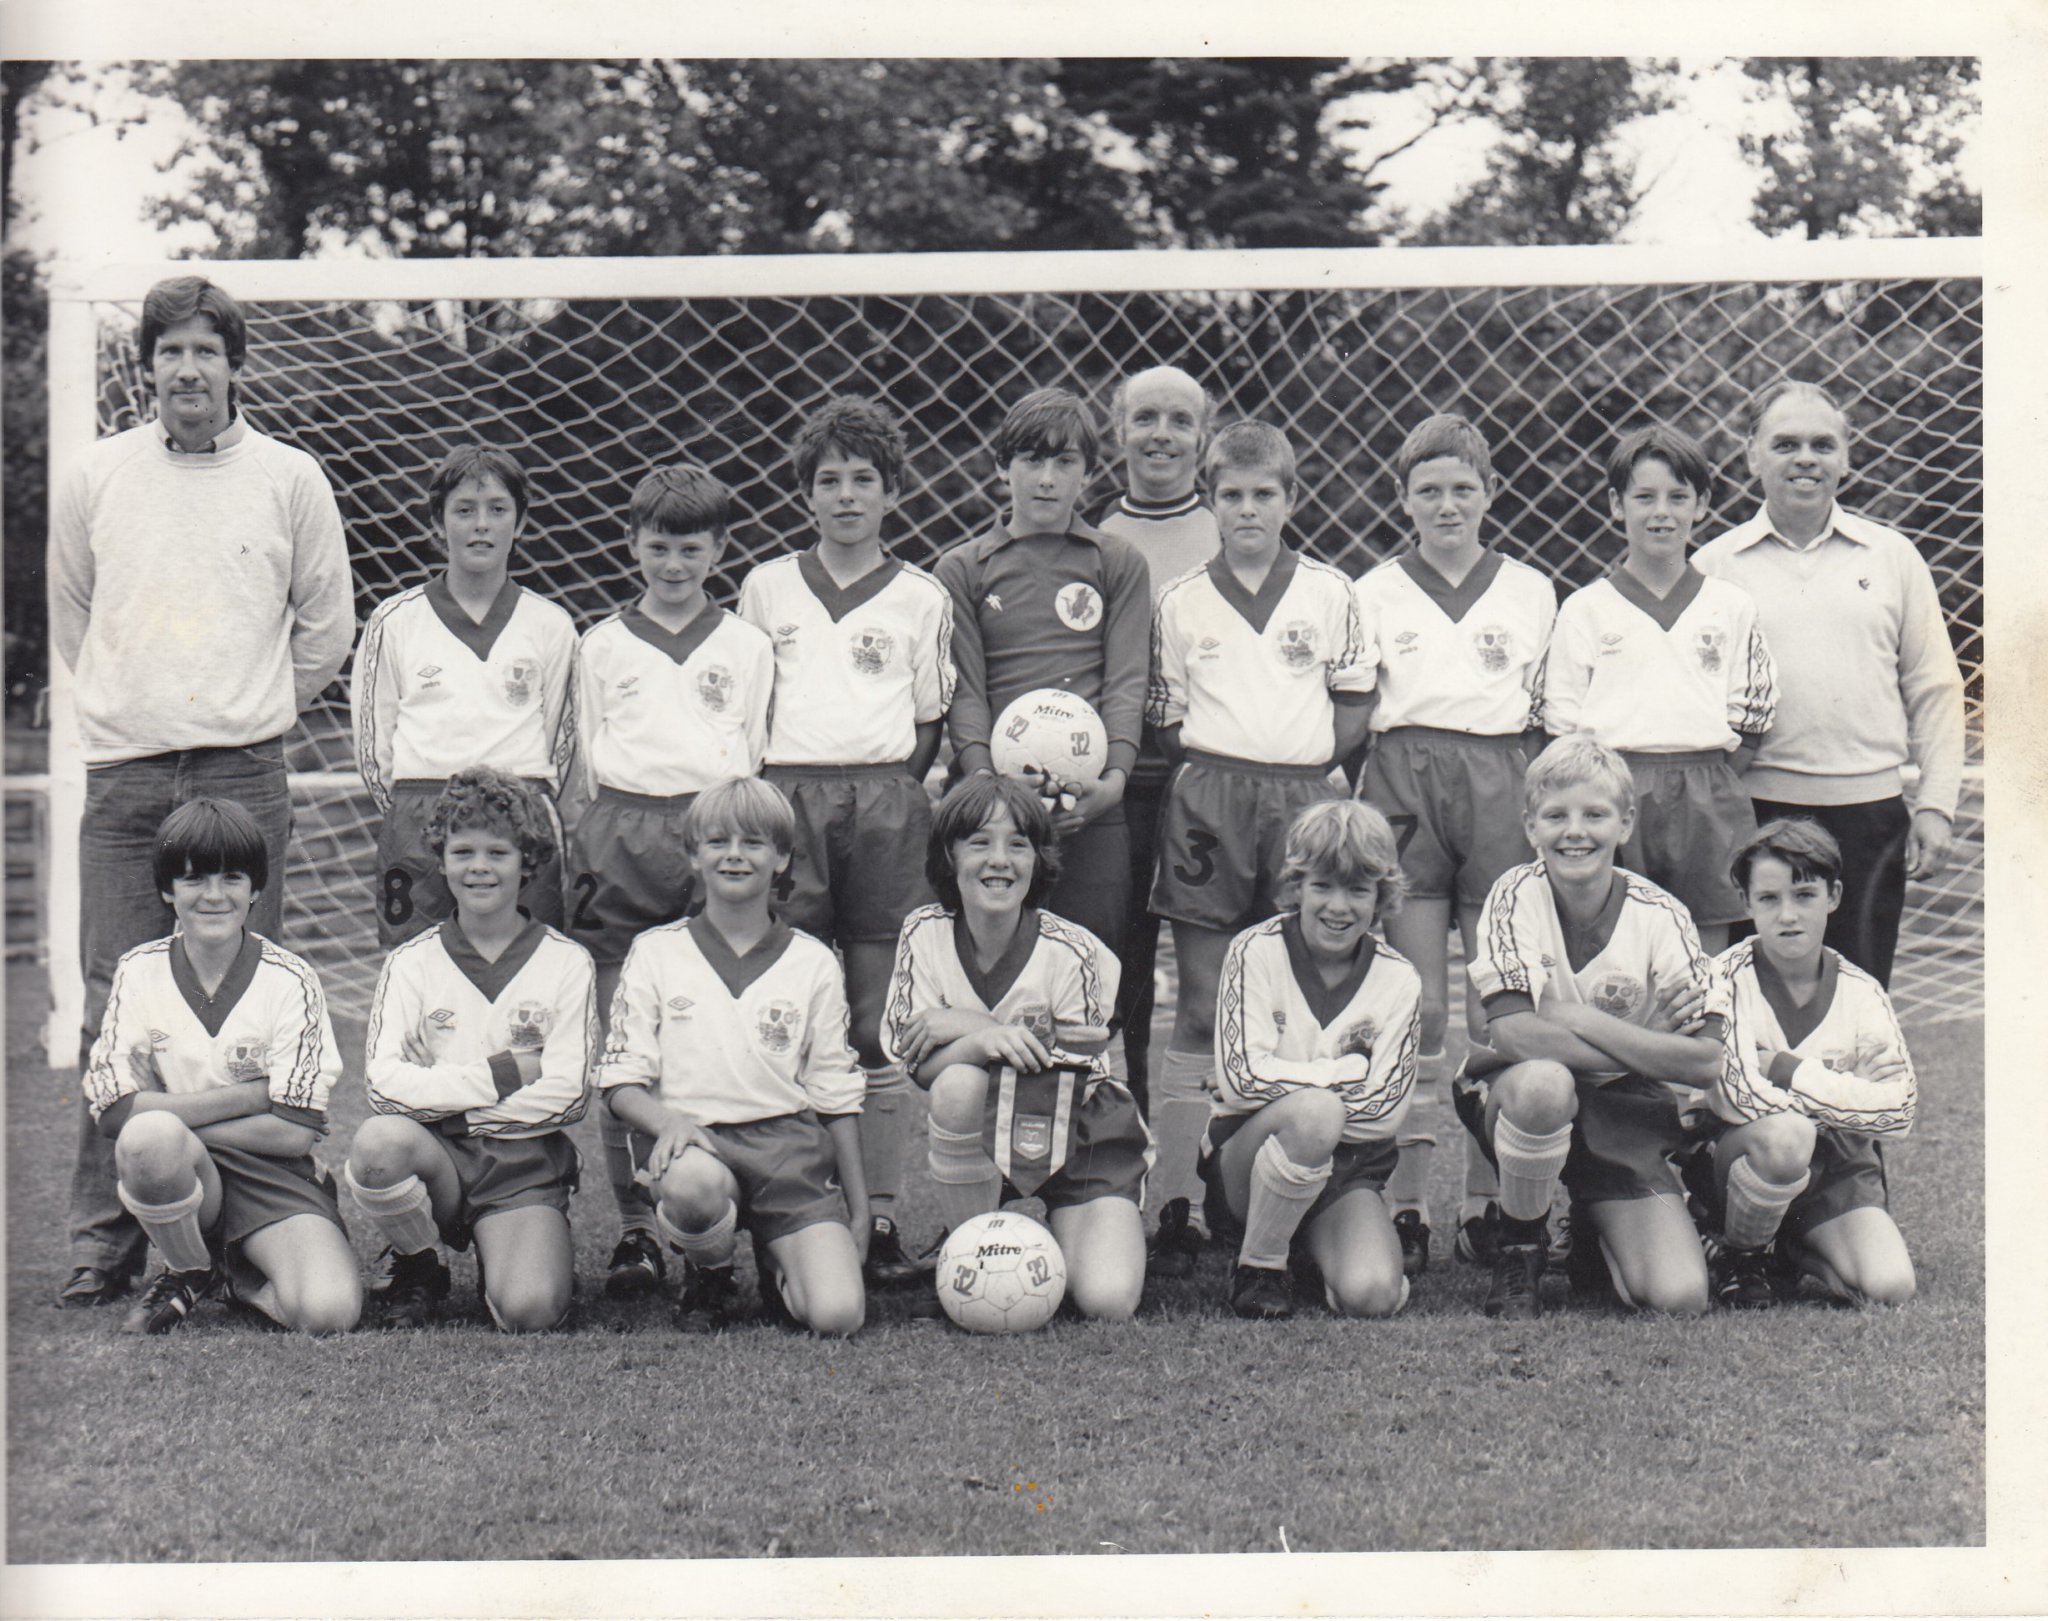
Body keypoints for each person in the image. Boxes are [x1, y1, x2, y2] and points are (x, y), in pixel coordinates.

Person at [50, 273, 354, 1309]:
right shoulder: (96, 476)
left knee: (248, 1006)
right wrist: (142, 709)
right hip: (128, 769)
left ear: (234, 366)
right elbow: (76, 614)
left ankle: (236, 1232)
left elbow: (326, 629)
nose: (187, 368)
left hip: (241, 767)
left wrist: (246, 705)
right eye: (169, 350)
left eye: (205, 351)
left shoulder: (289, 477)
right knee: (112, 1005)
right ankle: (106, 1242)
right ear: (148, 367)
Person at [1143, 421, 1371, 1281]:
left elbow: (1353, 706)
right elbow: (1167, 716)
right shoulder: (1181, 600)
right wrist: (1225, 773)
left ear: (1290, 499)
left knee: (1298, 995)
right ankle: (1175, 1199)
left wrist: (1304, 774)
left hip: (1304, 797)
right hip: (1209, 796)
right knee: (1202, 1002)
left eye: (1263, 494)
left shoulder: (1329, 591)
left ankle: (1283, 1190)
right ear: (1210, 502)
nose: (1247, 509)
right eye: (1231, 495)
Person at [737, 394, 954, 1288]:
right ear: (805, 494)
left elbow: (931, 719)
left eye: (864, 479)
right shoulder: (765, 587)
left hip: (885, 803)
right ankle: (790, 1208)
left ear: (892, 491)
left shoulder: (922, 596)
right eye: (829, 480)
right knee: (783, 1004)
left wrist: (891, 792)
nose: (847, 495)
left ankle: (884, 1219)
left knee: (875, 1019)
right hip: (787, 798)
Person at [1351, 413, 1557, 1277]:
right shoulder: (1371, 591)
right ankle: (1404, 1204)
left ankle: (1486, 1204)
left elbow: (1545, 713)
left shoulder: (1532, 589)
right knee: (1417, 1002)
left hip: (1498, 778)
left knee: (1496, 1006)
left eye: (1462, 488)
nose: (1446, 503)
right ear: (1403, 498)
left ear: (1489, 493)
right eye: (1428, 489)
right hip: (1403, 780)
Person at [563, 463, 775, 1301]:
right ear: (633, 545)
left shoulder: (748, 645)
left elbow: (753, 746)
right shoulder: (600, 644)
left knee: (707, 1027)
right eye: (658, 546)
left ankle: (706, 1218)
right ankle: (635, 1230)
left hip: (712, 829)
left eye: (691, 547)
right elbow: (581, 751)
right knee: (627, 1040)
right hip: (619, 830)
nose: (675, 563)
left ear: (720, 548)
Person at [1693, 381, 1966, 986]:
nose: (1805, 458)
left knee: (1859, 997)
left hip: (1868, 815)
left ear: (1846, 456)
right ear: (1752, 456)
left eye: (1822, 444)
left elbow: (1934, 687)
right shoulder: (1713, 566)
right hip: (1751, 814)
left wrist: (1938, 806)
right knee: (1751, 999)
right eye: (1785, 443)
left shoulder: (1892, 557)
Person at [1453, 735, 1728, 1319]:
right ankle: (1521, 1245)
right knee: (1544, 1084)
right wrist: (1654, 1044)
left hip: (1623, 1108)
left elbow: (1706, 1060)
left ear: (1625, 823)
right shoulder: (1512, 897)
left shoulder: (1664, 916)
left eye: (1595, 815)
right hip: (1521, 1094)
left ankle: (1589, 1234)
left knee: (1679, 1297)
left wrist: (1575, 1016)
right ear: (1531, 826)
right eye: (1556, 816)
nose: (1574, 831)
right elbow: (1513, 1035)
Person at [596, 778, 867, 1336]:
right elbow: (620, 1082)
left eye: (754, 842)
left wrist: (861, 1211)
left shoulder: (813, 962)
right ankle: (709, 1272)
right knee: (693, 1185)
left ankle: (778, 1261)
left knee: (838, 1315)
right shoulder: (656, 952)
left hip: (788, 1152)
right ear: (694, 854)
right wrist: (669, 1120)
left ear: (783, 857)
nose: (735, 855)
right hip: (695, 1143)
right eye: (718, 841)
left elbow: (836, 1093)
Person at [80, 798, 360, 1336]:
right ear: (168, 889)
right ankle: (188, 1266)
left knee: (328, 1314)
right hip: (183, 1166)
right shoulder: (139, 972)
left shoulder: (291, 980)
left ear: (256, 889)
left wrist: (172, 1114)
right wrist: (253, 1096)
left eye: (232, 878)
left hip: (272, 1174)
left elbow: (296, 1132)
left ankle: (235, 1279)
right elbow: (114, 1111)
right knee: (149, 1140)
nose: (213, 895)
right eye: (194, 879)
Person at [882, 775, 1149, 1323]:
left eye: (1018, 844)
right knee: (958, 1083)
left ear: (1039, 859)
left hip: (1077, 1130)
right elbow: (919, 1065)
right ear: (948, 855)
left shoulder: (1077, 950)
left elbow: (1066, 1070)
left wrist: (963, 1024)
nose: (999, 860)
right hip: (984, 1127)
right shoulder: (923, 933)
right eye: (979, 842)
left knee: (1107, 1300)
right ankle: (971, 1248)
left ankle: (1063, 1227)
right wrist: (982, 1039)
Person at [345, 769, 594, 1332]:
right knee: (379, 1142)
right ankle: (420, 1261)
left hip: (524, 1165)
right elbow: (383, 1084)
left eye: (497, 852)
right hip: (440, 1162)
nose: (478, 866)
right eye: (463, 851)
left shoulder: (564, 961)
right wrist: (508, 1070)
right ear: (442, 858)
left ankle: (515, 1251)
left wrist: (441, 1085)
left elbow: (569, 1094)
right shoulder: (410, 961)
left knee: (527, 1312)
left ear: (527, 861)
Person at [1536, 424, 1777, 953]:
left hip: (1706, 791)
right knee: (1613, 951)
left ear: (1702, 505)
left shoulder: (1730, 605)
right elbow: (1562, 723)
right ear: (1616, 506)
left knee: (1703, 956)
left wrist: (1702, 777)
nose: (1661, 512)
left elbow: (1754, 718)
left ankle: (1703, 1036)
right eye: (1644, 497)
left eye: (1677, 497)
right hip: (1613, 790)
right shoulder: (1586, 608)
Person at [932, 386, 1150, 955]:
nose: (1047, 478)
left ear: (1088, 473)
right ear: (1002, 468)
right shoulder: (963, 568)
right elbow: (967, 690)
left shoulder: (1117, 561)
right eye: (1032, 460)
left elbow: (1128, 680)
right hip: (993, 804)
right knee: (989, 959)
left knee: (1093, 964)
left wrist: (1114, 782)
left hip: (1092, 803)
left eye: (1064, 461)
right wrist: (985, 781)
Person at [1202, 799, 1421, 1319]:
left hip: (1345, 1172)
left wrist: (1290, 1085)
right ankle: (1259, 1263)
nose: (1339, 907)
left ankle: (1310, 1249)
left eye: (1358, 890)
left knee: (1372, 1296)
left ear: (1382, 895)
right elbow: (1238, 1086)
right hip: (1248, 1164)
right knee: (1315, 1113)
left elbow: (1386, 1113)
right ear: (1296, 885)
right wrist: (1342, 1075)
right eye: (1323, 885)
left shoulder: (1399, 978)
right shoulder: (1253, 950)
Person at [352, 445, 577, 947]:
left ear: (519, 523)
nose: (482, 525)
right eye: (465, 511)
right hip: (421, 815)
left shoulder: (550, 624)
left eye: (498, 510)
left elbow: (560, 744)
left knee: (528, 972)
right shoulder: (395, 621)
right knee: (415, 969)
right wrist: (420, 813)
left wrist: (521, 809)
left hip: (521, 816)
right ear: (439, 521)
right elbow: (374, 750)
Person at [1690, 818, 1917, 1307]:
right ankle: (1741, 1249)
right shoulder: (1722, 979)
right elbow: (1736, 1099)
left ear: (1833, 895)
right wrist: (1847, 1086)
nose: (1788, 914)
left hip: (1836, 1168)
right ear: (1746, 903)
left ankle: (1792, 1245)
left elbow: (1897, 1112)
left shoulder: (1862, 991)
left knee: (1889, 1286)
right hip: (1746, 1156)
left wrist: (1785, 1069)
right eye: (1769, 899)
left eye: (1804, 895)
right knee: (1787, 1135)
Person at [1093, 364, 1222, 1110]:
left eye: (1179, 420)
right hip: (1120, 778)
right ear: (1119, 430)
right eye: (1146, 418)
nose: (1161, 435)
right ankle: (1125, 1121)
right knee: (1121, 956)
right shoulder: (1096, 538)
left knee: (1214, 967)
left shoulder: (1228, 528)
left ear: (1203, 437)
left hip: (1206, 779)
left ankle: (1210, 1134)